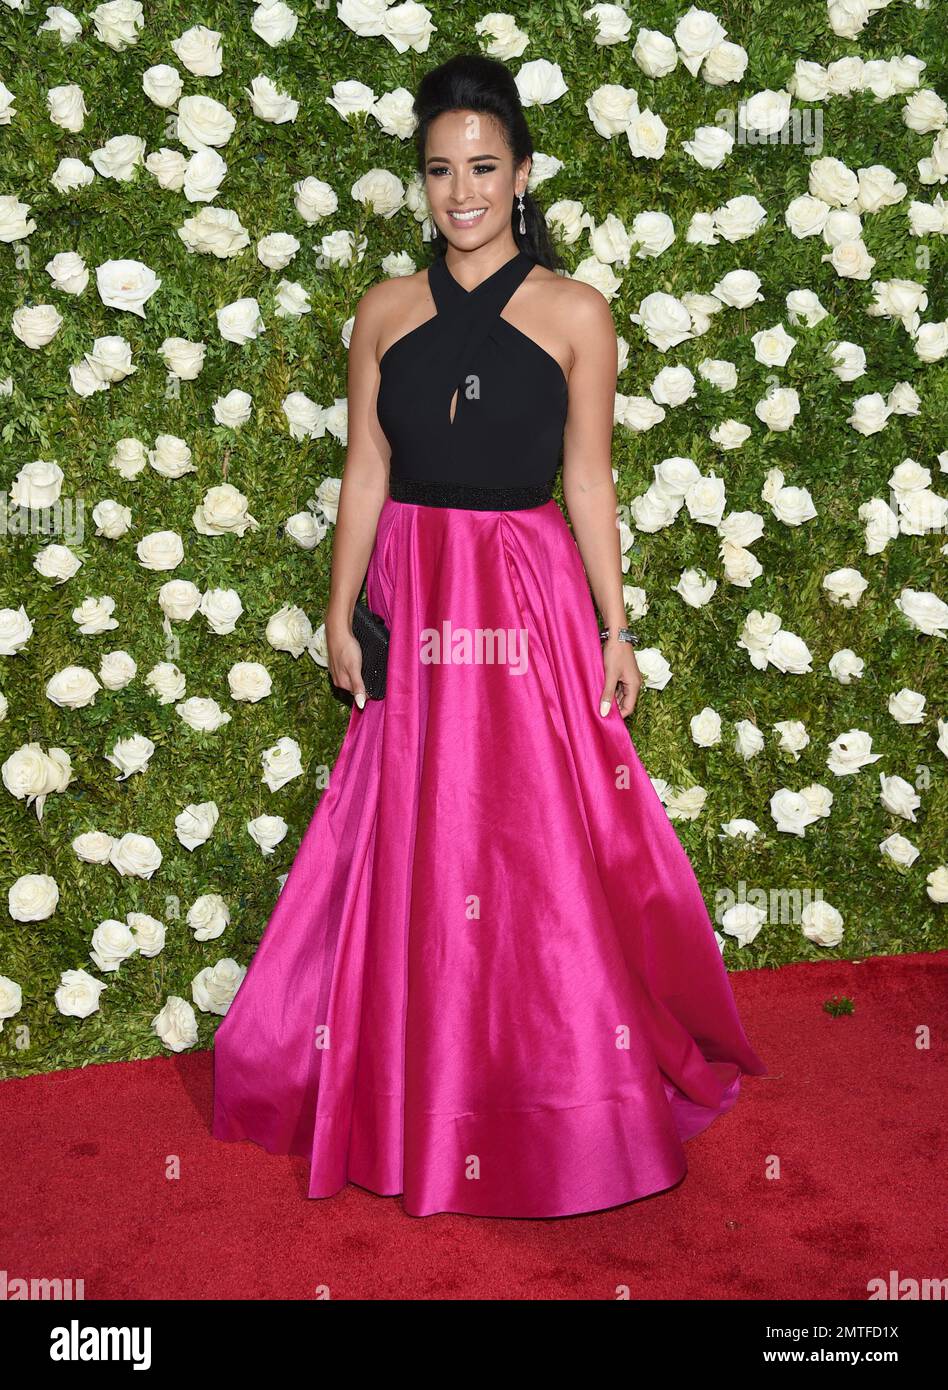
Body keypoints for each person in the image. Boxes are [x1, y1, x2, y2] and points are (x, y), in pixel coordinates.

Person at [211, 52, 766, 1219]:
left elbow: (591, 483)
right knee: (415, 836)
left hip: (524, 596)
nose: (459, 191)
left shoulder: (577, 313)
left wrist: (616, 627)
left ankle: (554, 1088)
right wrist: (338, 608)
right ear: (420, 183)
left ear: (522, 175)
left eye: (482, 168)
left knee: (536, 844)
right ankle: (416, 1090)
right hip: (412, 596)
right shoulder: (383, 312)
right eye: (438, 171)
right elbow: (366, 468)